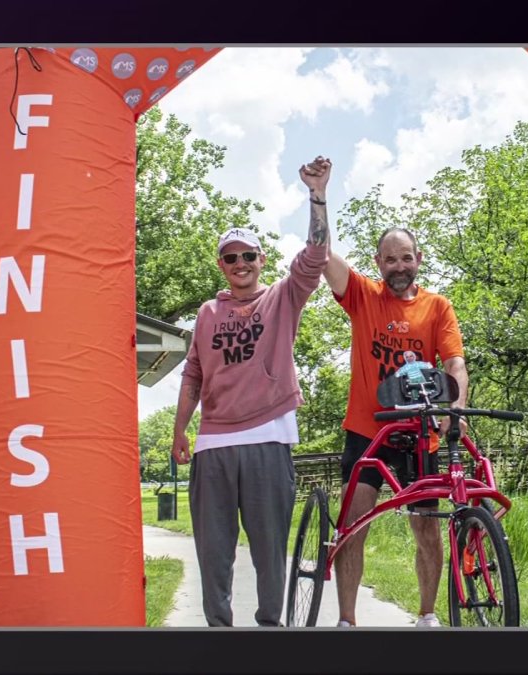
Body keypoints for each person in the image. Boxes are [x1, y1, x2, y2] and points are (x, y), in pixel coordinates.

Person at [170, 156, 333, 627]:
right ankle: (219, 633)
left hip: (268, 438)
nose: (240, 263)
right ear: (221, 265)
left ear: (261, 260)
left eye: (248, 255)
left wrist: (317, 194)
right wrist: (181, 432)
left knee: (268, 551)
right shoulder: (206, 313)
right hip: (214, 445)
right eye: (230, 257)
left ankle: (268, 630)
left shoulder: (282, 297)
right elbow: (193, 377)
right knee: (214, 553)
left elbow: (315, 258)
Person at [306, 170, 468, 626]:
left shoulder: (437, 307)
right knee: (353, 527)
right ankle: (347, 622)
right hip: (367, 429)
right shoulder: (363, 295)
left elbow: (455, 365)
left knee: (427, 530)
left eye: (406, 258)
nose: (399, 266)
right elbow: (320, 255)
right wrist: (318, 196)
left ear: (418, 259)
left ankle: (427, 616)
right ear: (378, 262)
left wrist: (454, 414)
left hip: (419, 434)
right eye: (390, 260)